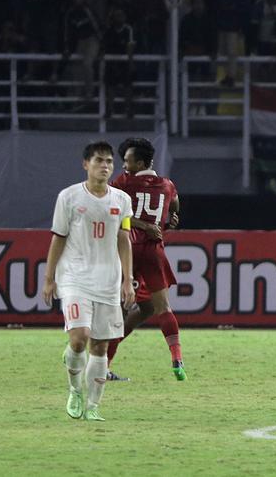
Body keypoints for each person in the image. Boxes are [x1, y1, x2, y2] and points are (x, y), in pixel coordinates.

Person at [41, 142, 135, 422]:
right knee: (80, 339)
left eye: (109, 162)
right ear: (86, 164)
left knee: (100, 347)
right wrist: (49, 278)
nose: (104, 166)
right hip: (74, 278)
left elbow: (124, 239)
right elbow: (58, 238)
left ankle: (93, 407)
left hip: (108, 280)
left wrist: (127, 280)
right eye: (98, 161)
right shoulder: (68, 198)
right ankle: (74, 389)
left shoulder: (121, 200)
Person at [106, 138, 185, 381]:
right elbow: (175, 207)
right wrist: (168, 220)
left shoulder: (123, 183)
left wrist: (141, 224)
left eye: (128, 161)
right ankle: (177, 358)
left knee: (119, 310)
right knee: (160, 307)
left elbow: (113, 213)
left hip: (125, 248)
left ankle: (102, 363)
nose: (124, 166)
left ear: (140, 162)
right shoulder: (167, 184)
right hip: (152, 250)